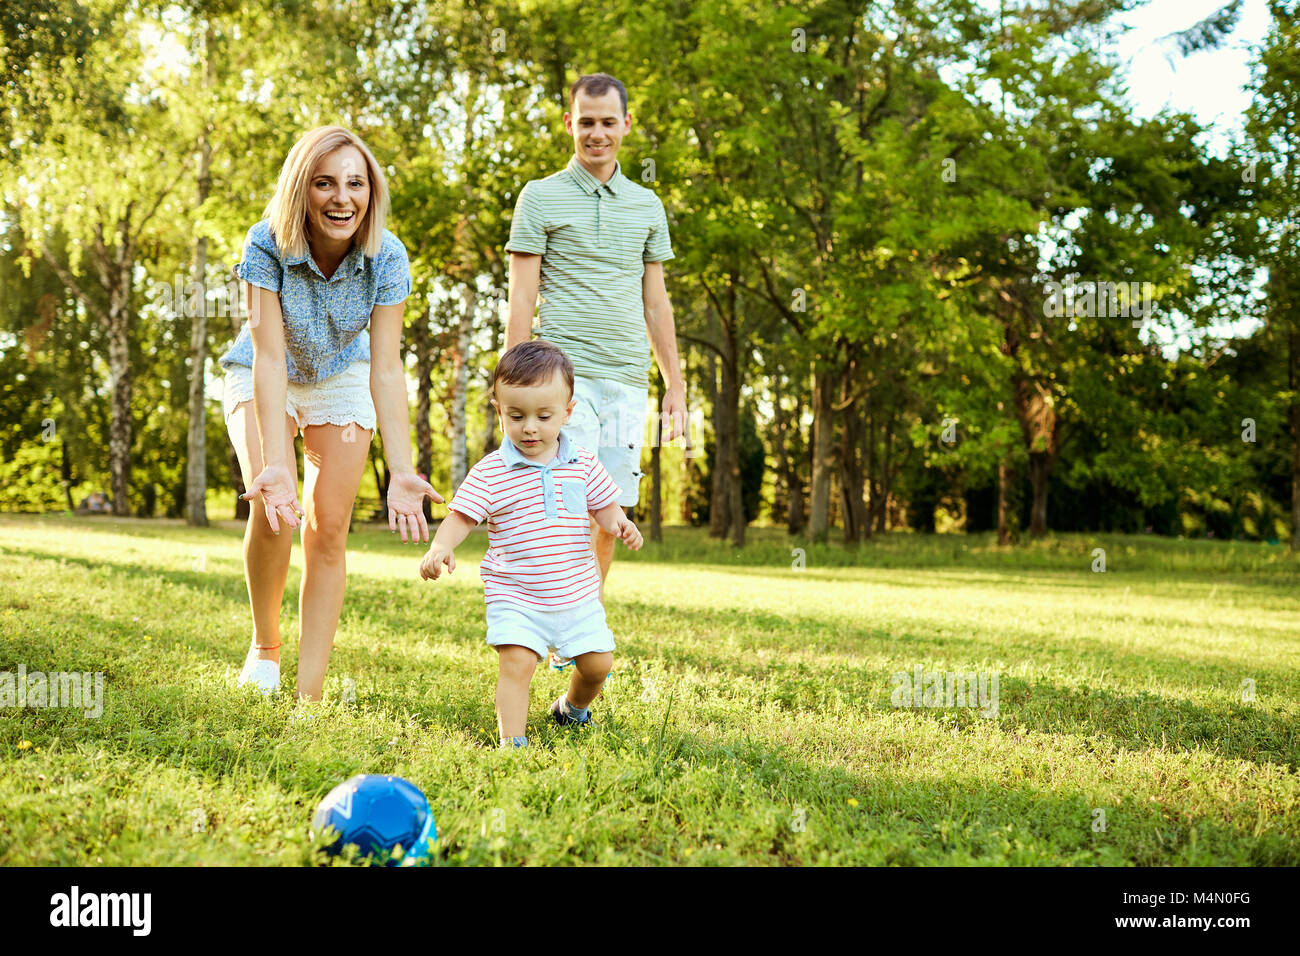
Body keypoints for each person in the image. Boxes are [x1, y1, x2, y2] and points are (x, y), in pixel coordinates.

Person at [219, 125, 441, 702]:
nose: (342, 197)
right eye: (324, 183)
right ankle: (265, 649)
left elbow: (387, 369)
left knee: (328, 528)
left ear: (371, 192)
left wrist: (401, 468)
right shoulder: (265, 243)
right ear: (302, 189)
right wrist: (275, 462)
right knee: (275, 508)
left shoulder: (386, 256)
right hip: (262, 369)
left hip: (342, 373)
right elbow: (269, 357)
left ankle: (307, 696)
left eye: (355, 183)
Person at [504, 72, 685, 669]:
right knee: (565, 503)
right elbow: (522, 296)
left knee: (610, 514)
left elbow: (656, 303)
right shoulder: (540, 196)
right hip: (562, 381)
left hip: (628, 381)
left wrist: (674, 390)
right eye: (587, 121)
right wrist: (512, 378)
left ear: (627, 125)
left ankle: (578, 633)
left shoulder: (646, 204)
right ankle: (545, 622)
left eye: (609, 122)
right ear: (570, 124)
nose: (597, 133)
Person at [419, 341, 643, 748]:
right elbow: (461, 516)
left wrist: (622, 524)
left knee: (597, 665)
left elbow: (605, 509)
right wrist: (441, 548)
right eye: (516, 415)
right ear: (499, 409)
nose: (530, 428)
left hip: (576, 594)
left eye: (544, 416)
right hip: (517, 596)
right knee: (517, 665)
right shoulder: (492, 471)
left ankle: (571, 709)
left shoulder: (583, 463)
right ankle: (513, 743)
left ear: (568, 412)